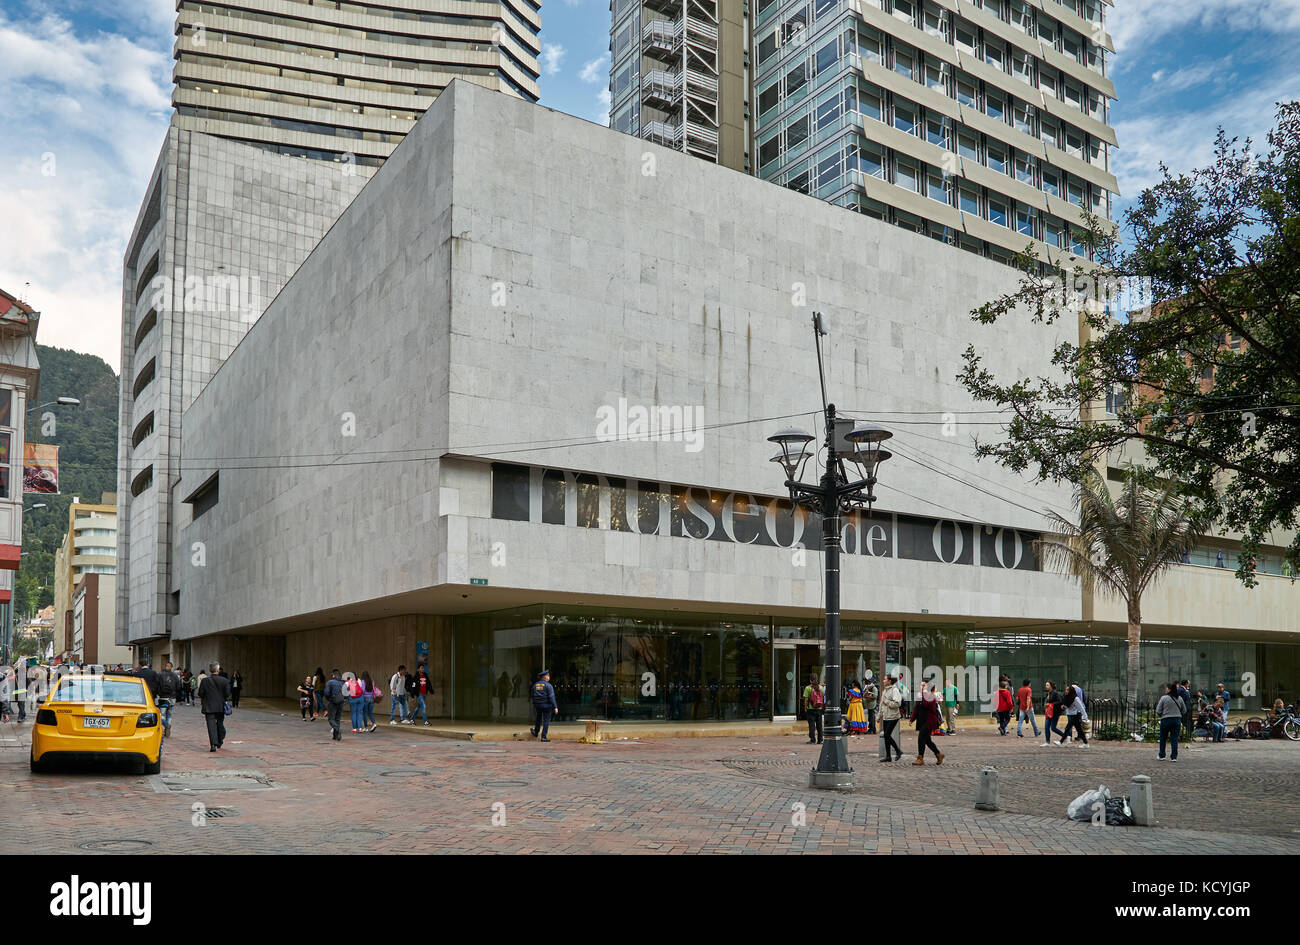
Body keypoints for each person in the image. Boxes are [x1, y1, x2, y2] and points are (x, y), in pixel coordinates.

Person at [197, 661, 232, 752]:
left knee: (211, 725)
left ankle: (213, 744)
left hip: (209, 706)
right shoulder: (224, 681)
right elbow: (227, 694)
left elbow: (200, 693)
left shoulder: (205, 681)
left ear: (210, 670)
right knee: (220, 724)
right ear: (218, 670)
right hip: (220, 706)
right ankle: (219, 739)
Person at [909, 683, 944, 766]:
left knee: (921, 738)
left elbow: (926, 705)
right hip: (921, 720)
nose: (922, 687)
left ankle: (920, 758)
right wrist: (912, 719)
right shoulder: (920, 696)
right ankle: (938, 754)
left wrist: (923, 694)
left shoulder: (931, 696)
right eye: (921, 685)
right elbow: (916, 708)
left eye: (924, 685)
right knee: (927, 740)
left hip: (929, 721)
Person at [1156, 682, 1185, 762]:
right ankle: (1174, 757)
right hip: (1176, 720)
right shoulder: (1180, 698)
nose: (1166, 690)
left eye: (1167, 688)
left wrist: (1162, 715)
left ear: (1169, 689)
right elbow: (1184, 710)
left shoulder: (1164, 698)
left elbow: (1158, 710)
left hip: (1165, 719)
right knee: (1174, 739)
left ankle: (1162, 755)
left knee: (1163, 738)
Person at [878, 674, 904, 763]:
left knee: (887, 735)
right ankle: (888, 756)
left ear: (890, 681)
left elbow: (898, 703)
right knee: (886, 736)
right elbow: (881, 704)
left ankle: (898, 751)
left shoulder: (895, 690)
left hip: (893, 716)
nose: (883, 681)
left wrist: (887, 702)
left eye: (885, 679)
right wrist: (879, 716)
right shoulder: (885, 690)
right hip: (886, 716)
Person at [530, 669, 558, 741]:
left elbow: (532, 695)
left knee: (538, 718)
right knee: (546, 720)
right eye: (548, 676)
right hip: (547, 706)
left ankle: (536, 732)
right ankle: (543, 737)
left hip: (538, 705)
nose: (549, 677)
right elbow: (551, 697)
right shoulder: (548, 685)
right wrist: (555, 707)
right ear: (545, 677)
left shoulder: (535, 685)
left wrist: (535, 703)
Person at [157, 660, 183, 737]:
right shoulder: (175, 676)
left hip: (164, 697)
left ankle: (166, 725)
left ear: (166, 666)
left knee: (162, 713)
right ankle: (168, 727)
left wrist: (159, 693)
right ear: (171, 667)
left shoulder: (160, 674)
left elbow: (157, 685)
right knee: (169, 713)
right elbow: (178, 687)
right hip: (172, 697)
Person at [1059, 682, 1088, 747]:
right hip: (1072, 714)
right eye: (1066, 689)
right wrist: (1064, 707)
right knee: (1079, 730)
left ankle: (1060, 742)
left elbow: (1081, 708)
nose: (1066, 691)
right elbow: (1068, 705)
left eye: (1067, 690)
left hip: (1076, 715)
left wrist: (1085, 716)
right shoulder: (1068, 697)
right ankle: (1086, 743)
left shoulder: (1075, 698)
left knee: (1067, 728)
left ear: (1071, 691)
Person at [323, 670, 346, 741]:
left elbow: (326, 693)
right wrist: (343, 698)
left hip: (333, 702)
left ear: (333, 676)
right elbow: (347, 693)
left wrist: (329, 699)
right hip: (341, 702)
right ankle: (335, 736)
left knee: (330, 718)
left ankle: (337, 730)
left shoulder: (330, 682)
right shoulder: (343, 683)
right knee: (337, 719)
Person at [802, 673, 825, 745]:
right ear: (817, 679)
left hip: (811, 709)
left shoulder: (808, 688)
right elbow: (823, 697)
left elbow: (806, 699)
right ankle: (820, 740)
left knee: (812, 725)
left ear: (810, 680)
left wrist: (805, 708)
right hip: (819, 708)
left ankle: (813, 740)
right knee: (819, 725)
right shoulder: (821, 688)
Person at [1042, 681, 1064, 746]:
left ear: (1051, 686)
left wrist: (1050, 704)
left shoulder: (1055, 693)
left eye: (1047, 685)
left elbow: (1060, 701)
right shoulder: (1048, 693)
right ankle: (1047, 742)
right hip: (1049, 713)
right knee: (1046, 727)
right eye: (1046, 685)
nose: (1046, 686)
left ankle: (1065, 736)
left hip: (1055, 713)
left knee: (1053, 728)